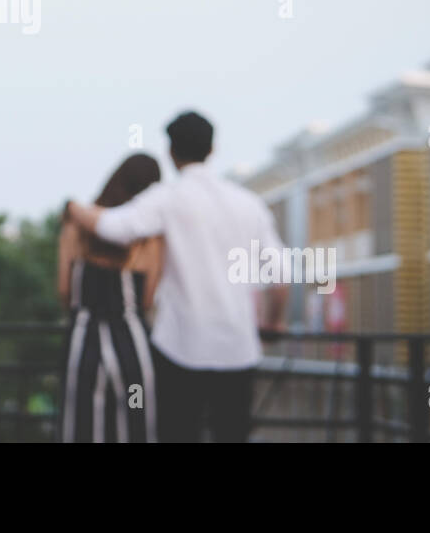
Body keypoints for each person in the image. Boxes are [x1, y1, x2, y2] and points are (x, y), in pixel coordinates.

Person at [66, 112, 289, 442]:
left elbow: (115, 227)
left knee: (178, 434)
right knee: (232, 435)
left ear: (171, 151)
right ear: (212, 149)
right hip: (238, 347)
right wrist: (273, 323)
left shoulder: (168, 198)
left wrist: (72, 207)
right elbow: (281, 278)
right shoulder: (248, 203)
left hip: (181, 346)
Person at [57, 153, 165, 442]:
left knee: (79, 423)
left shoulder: (76, 225)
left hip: (84, 333)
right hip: (132, 336)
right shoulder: (151, 236)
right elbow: (148, 298)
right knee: (137, 423)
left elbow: (64, 289)